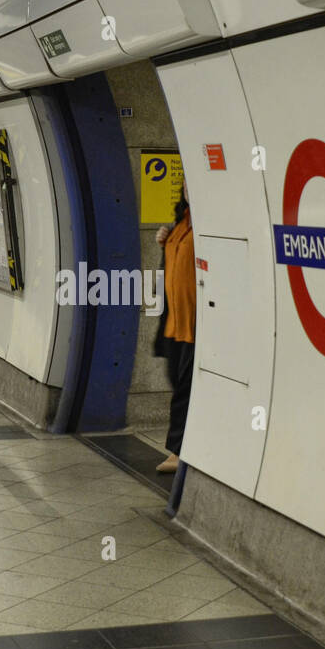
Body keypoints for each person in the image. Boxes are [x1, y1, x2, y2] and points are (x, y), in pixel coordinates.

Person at [152, 181, 195, 474]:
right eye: (185, 185)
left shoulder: (207, 224)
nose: (188, 189)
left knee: (185, 388)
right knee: (177, 382)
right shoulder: (180, 223)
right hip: (174, 324)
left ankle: (180, 451)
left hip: (194, 325)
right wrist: (163, 242)